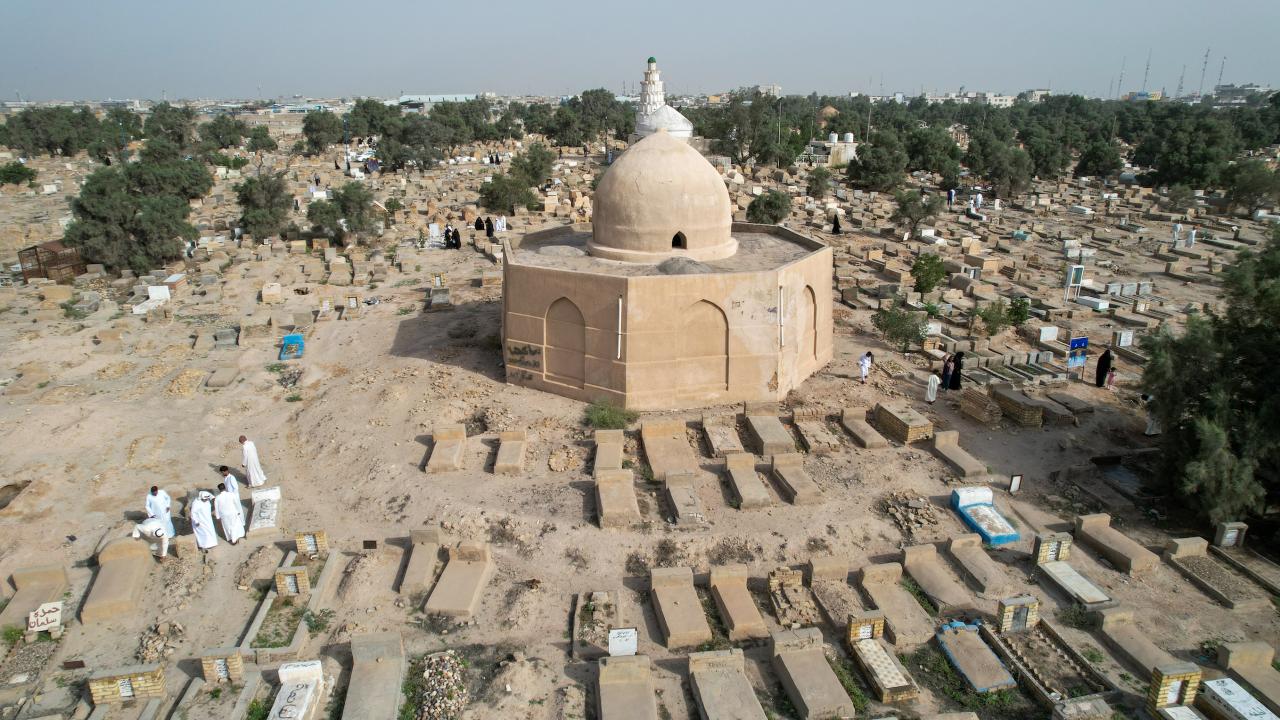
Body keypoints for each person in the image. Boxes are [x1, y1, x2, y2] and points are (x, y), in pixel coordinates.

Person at [190, 491, 219, 556]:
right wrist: (196, 521)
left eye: (206, 499)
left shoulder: (207, 498)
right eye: (204, 499)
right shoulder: (196, 503)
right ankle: (204, 545)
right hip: (200, 522)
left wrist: (213, 499)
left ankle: (212, 543)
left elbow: (212, 497)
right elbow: (193, 513)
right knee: (203, 533)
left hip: (208, 520)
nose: (206, 500)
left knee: (210, 531)